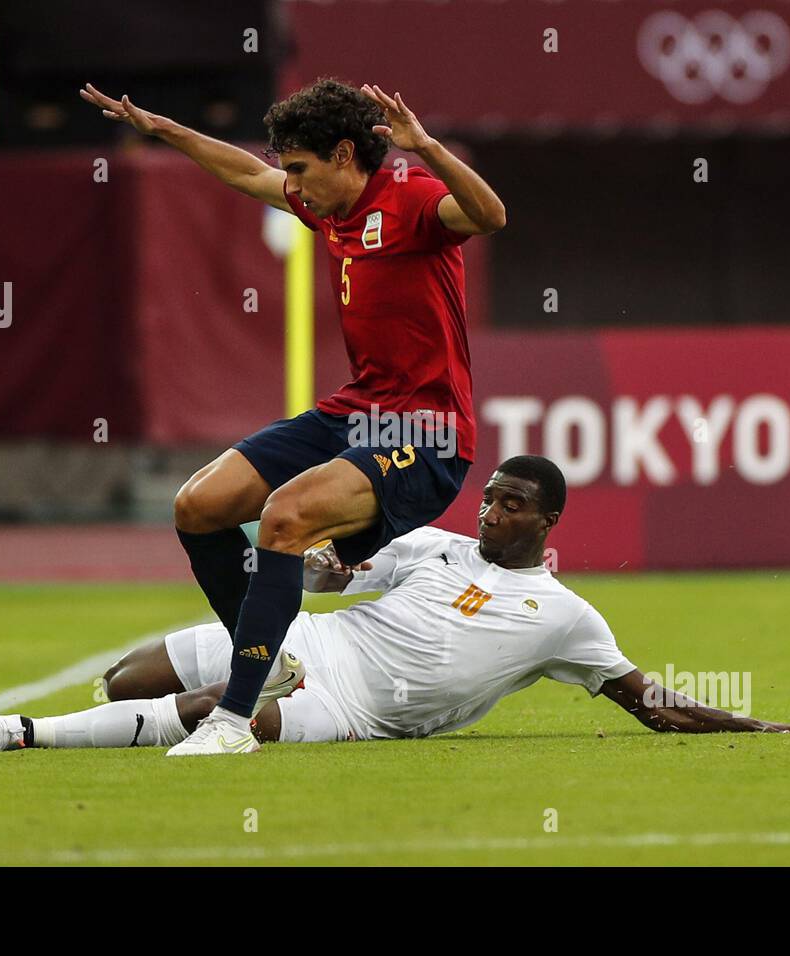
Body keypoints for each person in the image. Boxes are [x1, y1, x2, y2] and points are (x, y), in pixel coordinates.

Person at [77, 77, 506, 755]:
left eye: (301, 168)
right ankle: (269, 658)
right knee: (200, 505)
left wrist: (425, 146)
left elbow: (489, 216)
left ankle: (232, 722)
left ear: (343, 154)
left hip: (424, 430)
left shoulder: (412, 197)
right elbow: (247, 172)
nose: (292, 185)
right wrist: (166, 129)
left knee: (283, 518)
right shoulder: (326, 207)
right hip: (356, 408)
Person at [0, 457, 790, 756]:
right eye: (490, 498)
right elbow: (330, 579)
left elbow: (646, 703)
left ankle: (14, 734)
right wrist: (317, 563)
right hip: (305, 643)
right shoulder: (429, 543)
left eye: (511, 505)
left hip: (356, 709)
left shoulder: (566, 616)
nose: (492, 512)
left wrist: (753, 728)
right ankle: (92, 723)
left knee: (219, 713)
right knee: (123, 677)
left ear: (549, 521)